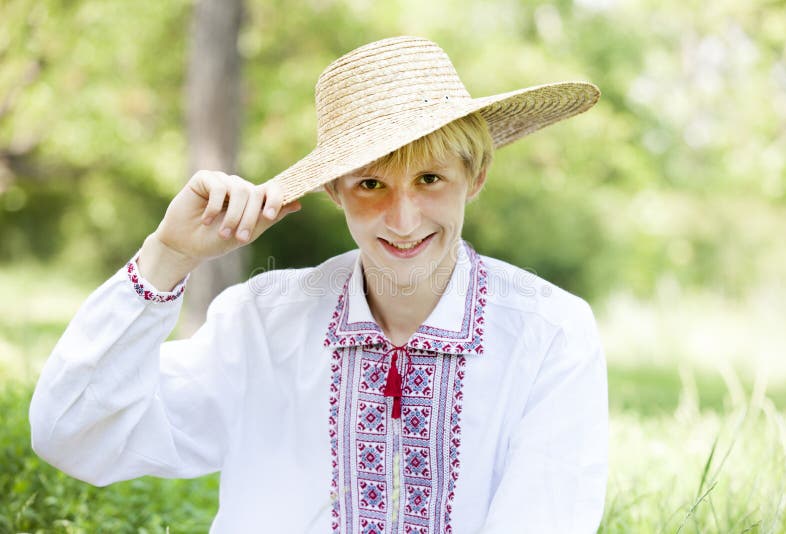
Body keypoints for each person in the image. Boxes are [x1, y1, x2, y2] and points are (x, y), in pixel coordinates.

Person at [30, 36, 608, 533]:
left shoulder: (549, 333)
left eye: (429, 178)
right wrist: (169, 255)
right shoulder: (262, 321)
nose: (403, 219)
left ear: (474, 177)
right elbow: (75, 433)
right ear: (334, 191)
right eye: (371, 184)